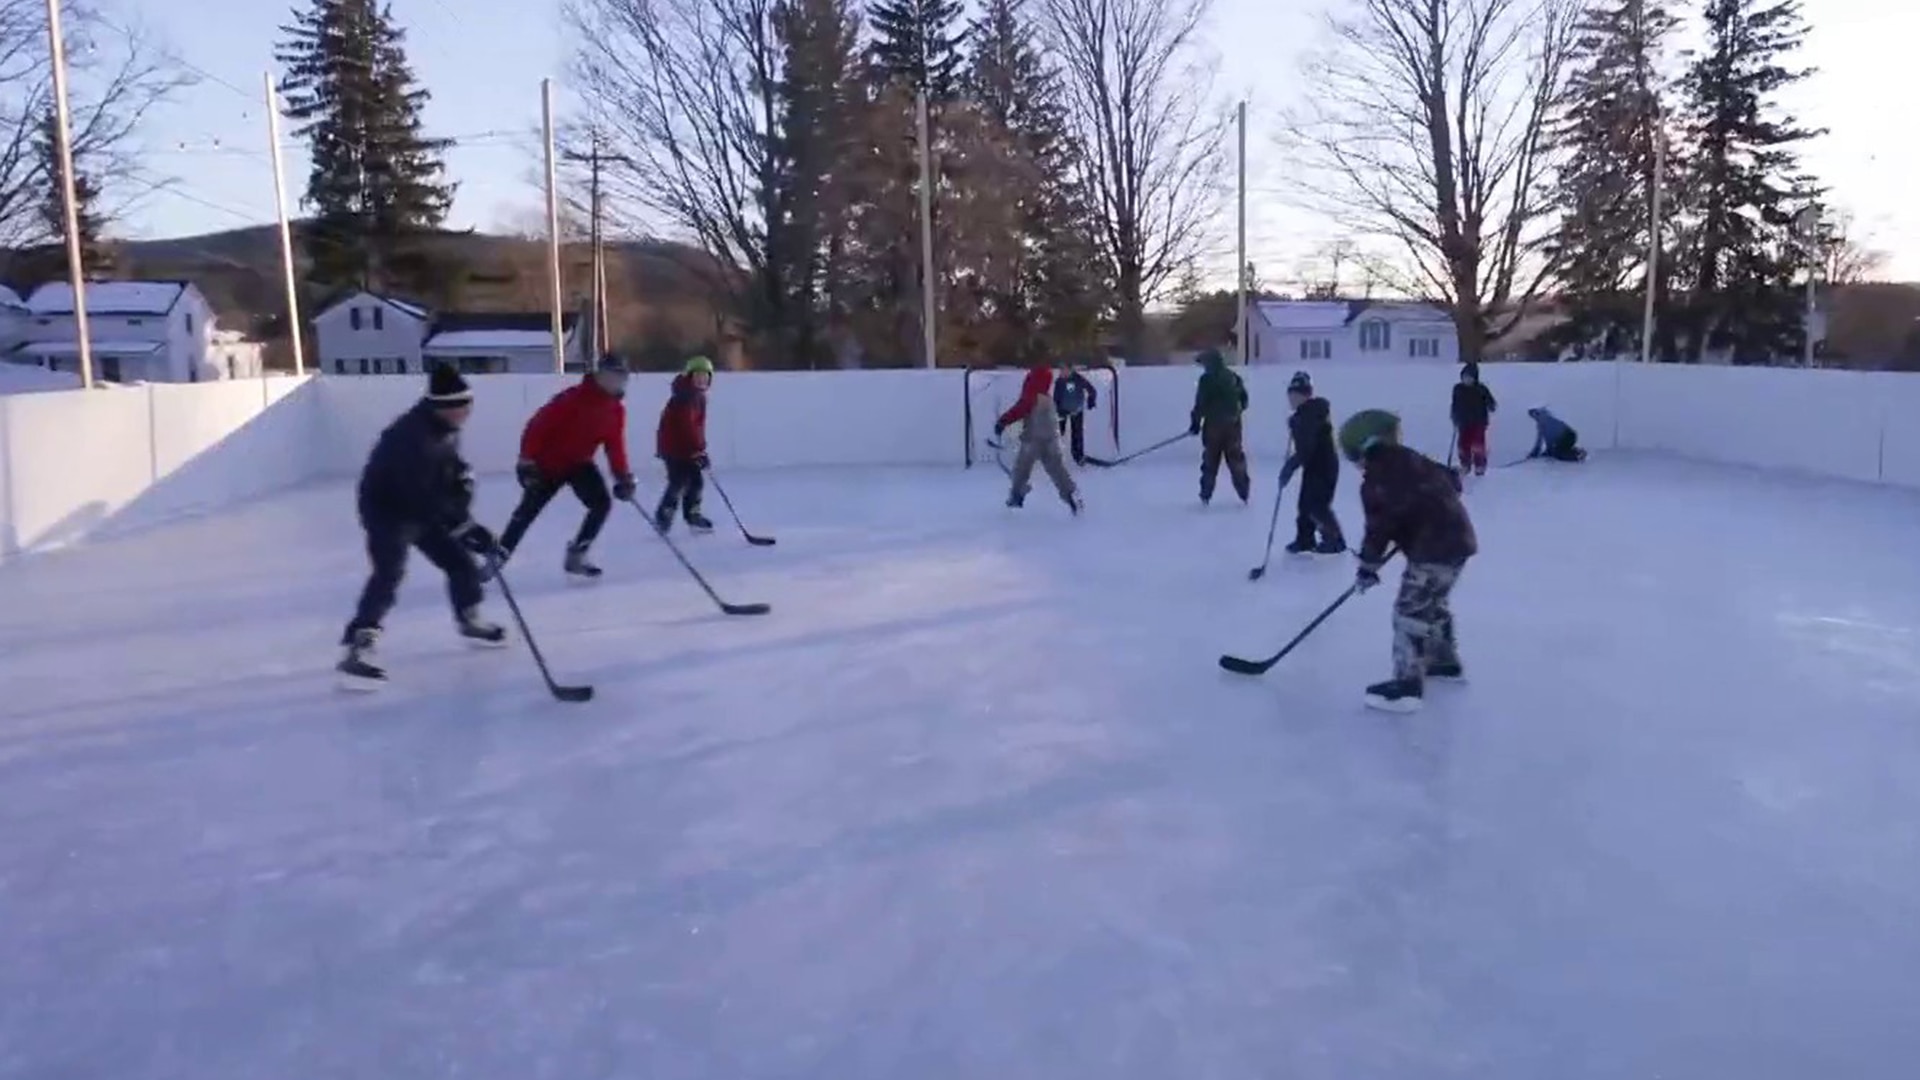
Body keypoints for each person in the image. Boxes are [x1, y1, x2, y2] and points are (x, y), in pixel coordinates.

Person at [337, 364, 506, 689]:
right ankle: (360, 642)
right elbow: (421, 495)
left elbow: (446, 469)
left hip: (422, 507)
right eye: (460, 407)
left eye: (468, 405)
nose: (466, 413)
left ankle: (469, 618)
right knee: (390, 572)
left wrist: (462, 476)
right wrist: (464, 525)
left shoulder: (443, 426)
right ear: (441, 405)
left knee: (460, 563)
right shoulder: (411, 438)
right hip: (387, 512)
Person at [1338, 408, 1477, 713]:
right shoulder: (1414, 459)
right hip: (1459, 543)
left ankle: (1407, 685)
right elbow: (1453, 482)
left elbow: (1378, 528)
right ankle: (1444, 662)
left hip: (1432, 551)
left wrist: (1367, 567)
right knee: (1433, 603)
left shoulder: (1376, 480)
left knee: (1408, 612)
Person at [495, 354, 636, 579]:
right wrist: (526, 460)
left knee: (601, 504)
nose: (614, 382)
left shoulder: (616, 411)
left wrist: (622, 475)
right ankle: (499, 554)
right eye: (609, 376)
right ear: (598, 375)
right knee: (527, 511)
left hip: (579, 463)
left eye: (620, 377)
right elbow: (537, 426)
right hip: (547, 464)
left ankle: (577, 554)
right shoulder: (572, 398)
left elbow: (614, 445)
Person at [994, 365, 1082, 513]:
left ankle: (1017, 495)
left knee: (1022, 466)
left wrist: (1003, 421)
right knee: (1056, 467)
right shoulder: (1047, 398)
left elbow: (1022, 407)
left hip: (1033, 436)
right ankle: (1071, 495)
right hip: (1050, 436)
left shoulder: (1033, 393)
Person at [1278, 371, 1345, 554]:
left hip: (1324, 466)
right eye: (1289, 394)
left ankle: (1335, 540)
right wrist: (1295, 424)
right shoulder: (1304, 414)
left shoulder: (1310, 414)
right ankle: (1305, 540)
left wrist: (1289, 467)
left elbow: (1306, 448)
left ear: (1304, 395)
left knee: (1317, 505)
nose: (1291, 399)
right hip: (1313, 466)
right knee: (1305, 504)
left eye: (1294, 395)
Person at [655, 355, 716, 533]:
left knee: (696, 482)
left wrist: (700, 449)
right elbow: (686, 426)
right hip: (673, 448)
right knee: (678, 482)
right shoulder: (685, 397)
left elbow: (698, 426)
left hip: (688, 448)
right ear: (689, 377)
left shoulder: (699, 397)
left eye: (705, 377)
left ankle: (692, 515)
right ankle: (664, 514)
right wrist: (697, 450)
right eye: (697, 376)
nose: (701, 380)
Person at [1188, 337, 1251, 505]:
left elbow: (1200, 404)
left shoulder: (1206, 380)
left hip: (1214, 427)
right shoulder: (1234, 377)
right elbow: (1244, 401)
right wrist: (1234, 413)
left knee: (1210, 461)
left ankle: (1205, 495)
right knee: (1236, 459)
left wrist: (1195, 423)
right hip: (1233, 425)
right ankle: (1244, 493)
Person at [1450, 362, 1497, 475]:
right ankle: (1465, 464)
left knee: (1477, 444)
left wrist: (1490, 405)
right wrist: (1454, 417)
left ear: (1475, 378)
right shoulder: (1458, 389)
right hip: (1463, 421)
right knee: (1463, 444)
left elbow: (1491, 403)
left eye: (1469, 377)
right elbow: (1455, 404)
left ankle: (1479, 465)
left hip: (1478, 421)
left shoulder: (1481, 389)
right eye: (1465, 377)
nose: (1467, 380)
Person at [1052, 362, 1099, 466]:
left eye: (1064, 370)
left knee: (1077, 433)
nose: (1062, 372)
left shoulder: (1078, 379)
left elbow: (1092, 390)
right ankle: (1056, 456)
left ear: (1070, 370)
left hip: (1077, 410)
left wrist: (1091, 400)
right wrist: (1057, 409)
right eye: (1061, 370)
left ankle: (1078, 455)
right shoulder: (1059, 381)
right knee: (1059, 433)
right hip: (1063, 410)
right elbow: (1056, 397)